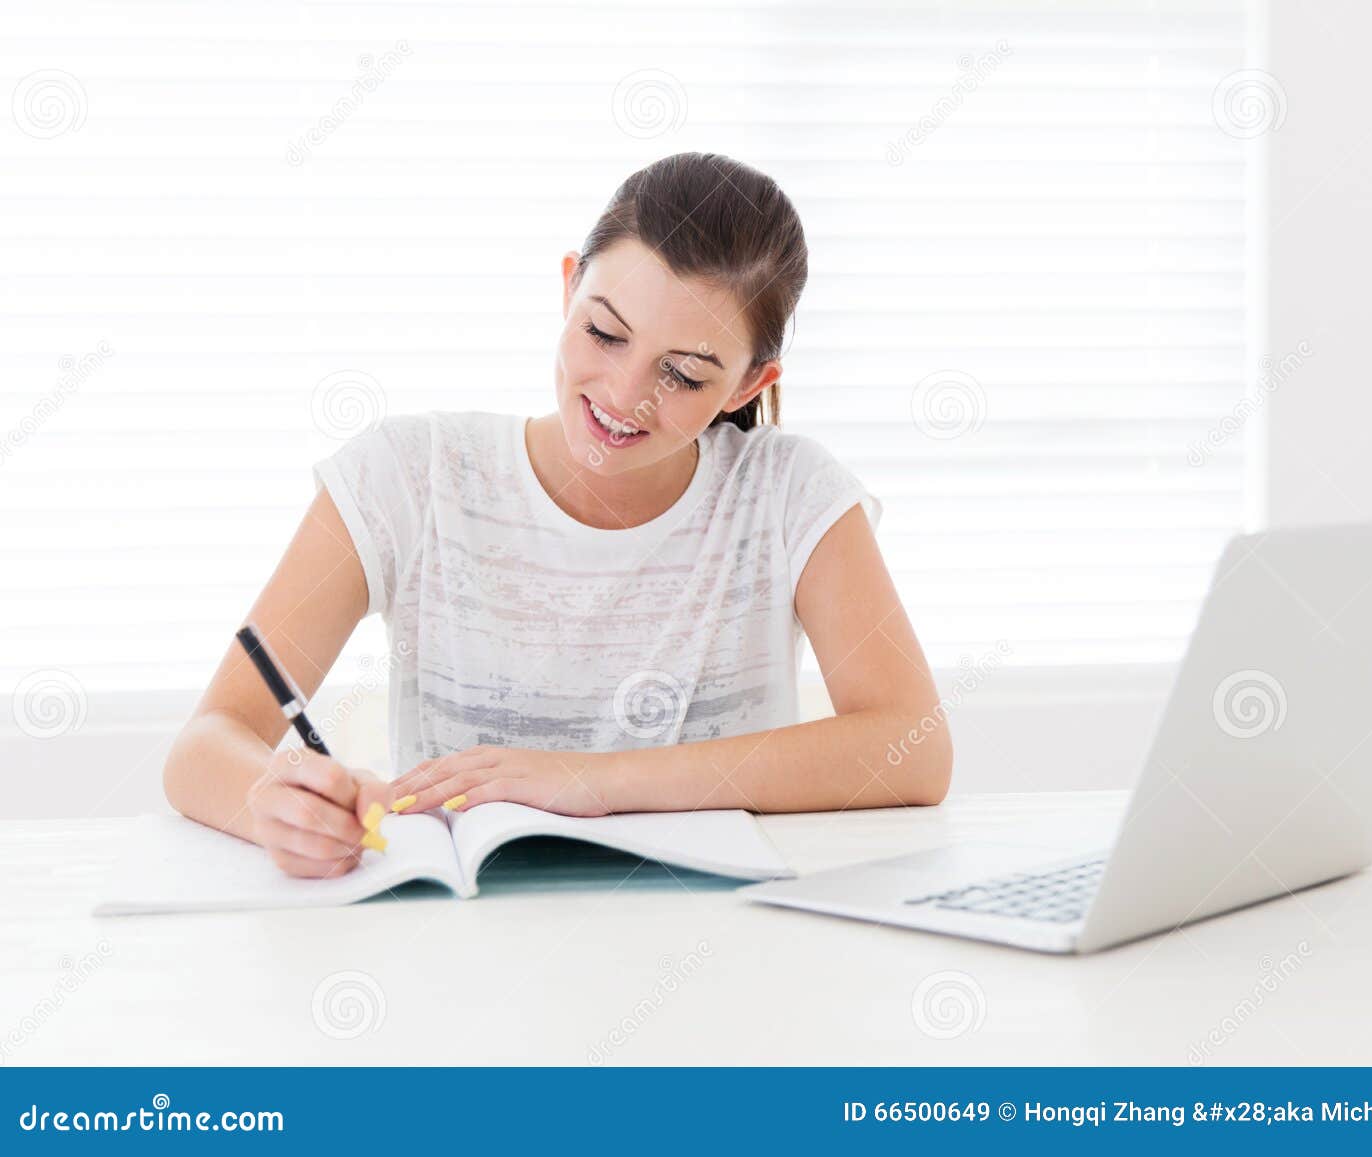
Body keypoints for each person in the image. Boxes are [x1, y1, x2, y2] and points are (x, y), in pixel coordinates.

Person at [163, 152, 951, 879]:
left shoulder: (788, 495)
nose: (622, 393)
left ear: (748, 385)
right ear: (569, 287)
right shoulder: (409, 476)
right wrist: (273, 808)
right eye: (604, 332)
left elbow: (912, 748)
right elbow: (206, 745)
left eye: (681, 375)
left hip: (720, 961)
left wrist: (590, 782)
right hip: (465, 962)